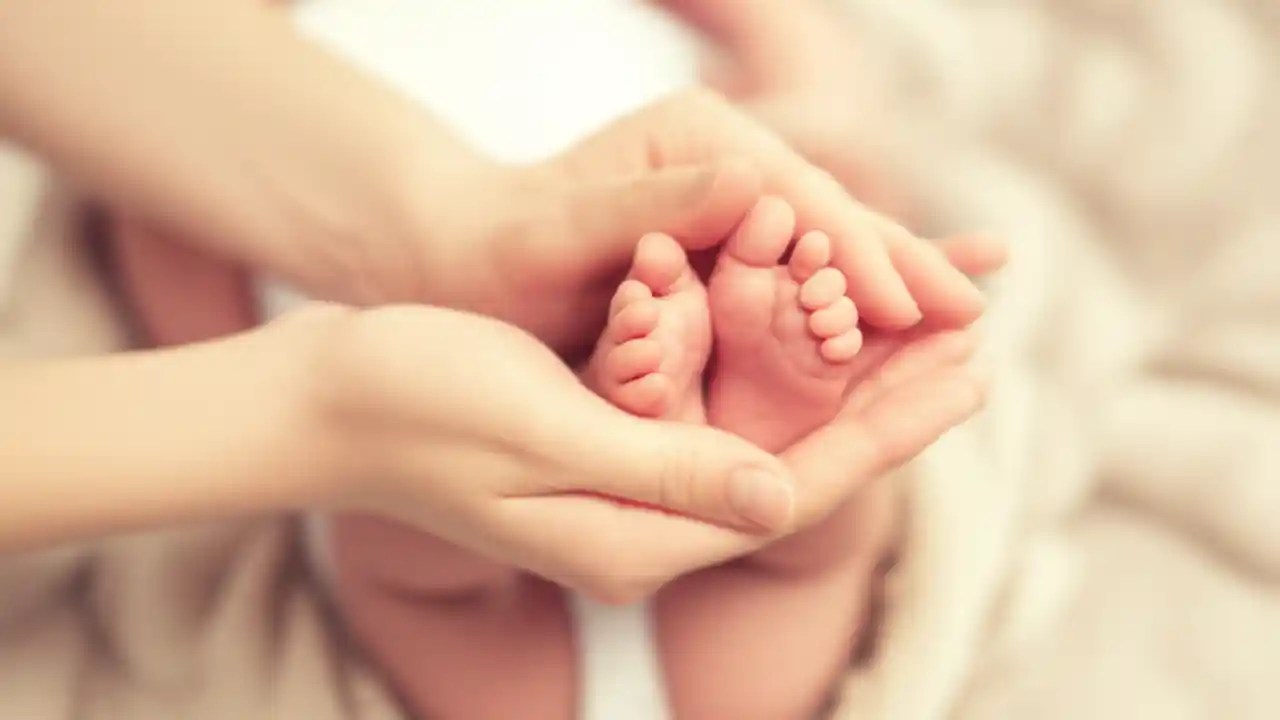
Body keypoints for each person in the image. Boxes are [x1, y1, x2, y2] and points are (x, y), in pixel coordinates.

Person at [0, 0, 1000, 717]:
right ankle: (755, 428)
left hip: (423, 429)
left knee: (410, 546)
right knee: (800, 505)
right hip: (620, 234)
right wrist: (806, 74)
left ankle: (681, 414)